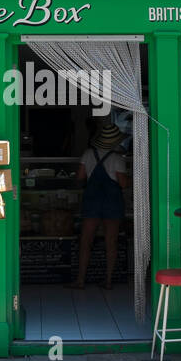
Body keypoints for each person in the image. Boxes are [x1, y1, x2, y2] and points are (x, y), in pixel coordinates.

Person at [71, 119, 129, 290]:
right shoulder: (118, 159)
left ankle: (81, 280)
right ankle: (108, 280)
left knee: (86, 241)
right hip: (112, 203)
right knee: (111, 242)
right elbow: (123, 183)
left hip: (92, 202)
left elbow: (80, 177)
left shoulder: (88, 154)